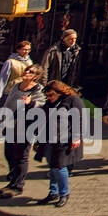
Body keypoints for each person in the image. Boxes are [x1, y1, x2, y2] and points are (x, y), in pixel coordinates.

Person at [35, 80, 83, 208]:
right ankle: (53, 192)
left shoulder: (73, 100)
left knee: (60, 166)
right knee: (52, 166)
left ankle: (64, 193)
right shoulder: (51, 103)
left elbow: (79, 119)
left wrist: (76, 137)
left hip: (65, 139)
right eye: (47, 96)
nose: (49, 98)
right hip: (50, 138)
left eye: (51, 95)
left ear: (60, 92)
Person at [1, 63, 45, 199]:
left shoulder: (38, 89)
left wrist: (30, 103)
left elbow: (42, 105)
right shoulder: (16, 86)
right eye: (26, 70)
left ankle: (18, 186)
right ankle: (12, 180)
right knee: (9, 152)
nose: (26, 72)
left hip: (26, 126)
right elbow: (8, 103)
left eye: (30, 71)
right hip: (11, 124)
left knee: (21, 156)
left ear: (36, 77)